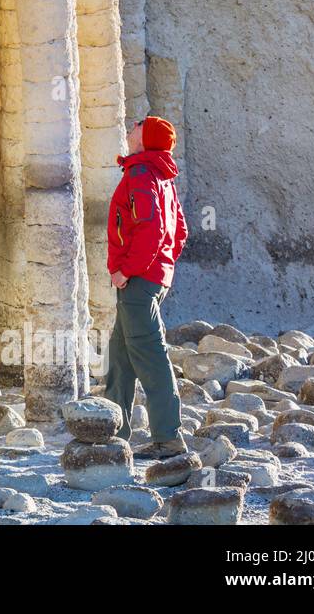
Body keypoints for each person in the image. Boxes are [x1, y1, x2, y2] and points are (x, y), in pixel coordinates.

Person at [103, 115, 189, 459]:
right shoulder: (160, 176)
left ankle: (169, 439)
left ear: (147, 136)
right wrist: (161, 267)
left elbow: (151, 230)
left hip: (138, 282)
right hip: (152, 279)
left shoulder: (141, 175)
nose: (129, 127)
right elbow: (179, 232)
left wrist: (128, 270)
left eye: (137, 125)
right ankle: (114, 433)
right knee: (120, 359)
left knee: (151, 357)